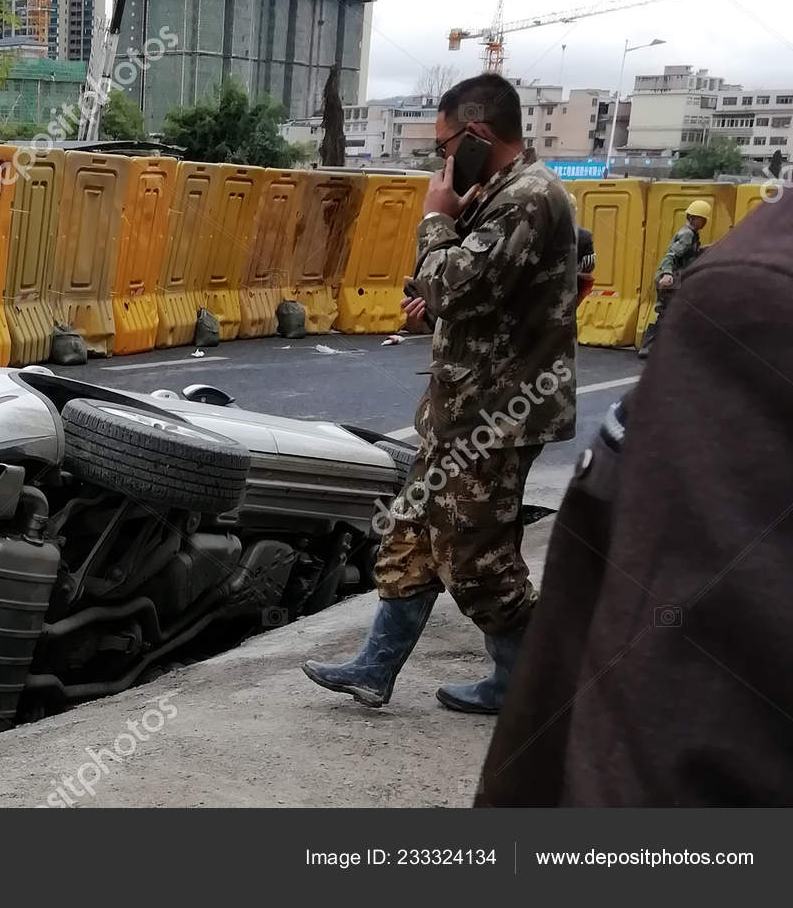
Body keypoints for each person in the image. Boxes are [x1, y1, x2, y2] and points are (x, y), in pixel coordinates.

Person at [478, 194, 792, 804]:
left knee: (473, 555)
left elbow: (672, 727)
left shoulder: (755, 298)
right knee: (428, 545)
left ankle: (494, 664)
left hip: (494, 414)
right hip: (495, 410)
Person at [301, 74, 579, 714]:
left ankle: (531, 686)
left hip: (496, 418)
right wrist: (435, 306)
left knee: (479, 563)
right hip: (462, 411)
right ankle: (375, 667)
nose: (442, 162)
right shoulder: (500, 194)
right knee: (409, 537)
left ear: (477, 135)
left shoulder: (527, 198)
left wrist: (434, 219)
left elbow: (458, 283)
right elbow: (479, 297)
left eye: (444, 146)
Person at [638, 199, 711, 358]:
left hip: (676, 279)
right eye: (702, 219)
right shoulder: (687, 235)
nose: (704, 222)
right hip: (670, 279)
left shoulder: (692, 235)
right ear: (693, 218)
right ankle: (648, 347)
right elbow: (671, 255)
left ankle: (663, 347)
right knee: (667, 313)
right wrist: (667, 274)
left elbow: (690, 255)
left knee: (674, 312)